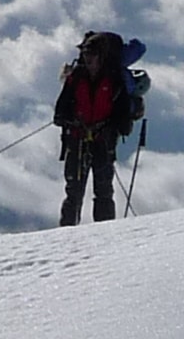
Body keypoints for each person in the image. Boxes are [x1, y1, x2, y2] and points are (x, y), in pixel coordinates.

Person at [53, 29, 143, 225]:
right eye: (86, 53)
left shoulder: (113, 79)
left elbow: (121, 115)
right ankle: (69, 233)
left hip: (101, 141)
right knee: (75, 191)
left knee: (102, 190)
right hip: (80, 139)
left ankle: (102, 233)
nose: (88, 58)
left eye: (91, 54)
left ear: (101, 56)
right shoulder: (77, 77)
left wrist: (108, 127)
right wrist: (68, 120)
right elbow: (60, 110)